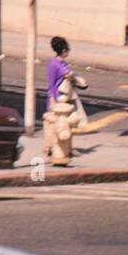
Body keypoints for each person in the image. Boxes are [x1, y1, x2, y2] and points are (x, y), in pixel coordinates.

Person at [43, 36, 88, 166]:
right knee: (54, 126)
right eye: (67, 49)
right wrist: (51, 100)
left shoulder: (62, 63)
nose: (68, 51)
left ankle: (67, 148)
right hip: (57, 98)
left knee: (68, 125)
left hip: (66, 98)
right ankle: (50, 148)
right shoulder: (54, 64)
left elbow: (70, 75)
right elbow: (52, 84)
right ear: (63, 50)